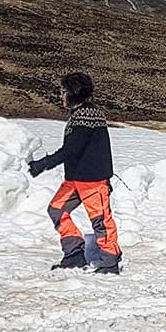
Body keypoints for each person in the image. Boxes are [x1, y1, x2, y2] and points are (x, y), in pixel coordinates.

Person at [28, 73, 121, 274]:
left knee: (100, 220)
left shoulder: (87, 115)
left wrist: (43, 164)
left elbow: (71, 150)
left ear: (74, 93)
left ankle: (109, 261)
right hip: (75, 179)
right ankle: (74, 254)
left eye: (63, 91)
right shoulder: (80, 114)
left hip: (92, 180)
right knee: (57, 210)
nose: (61, 96)